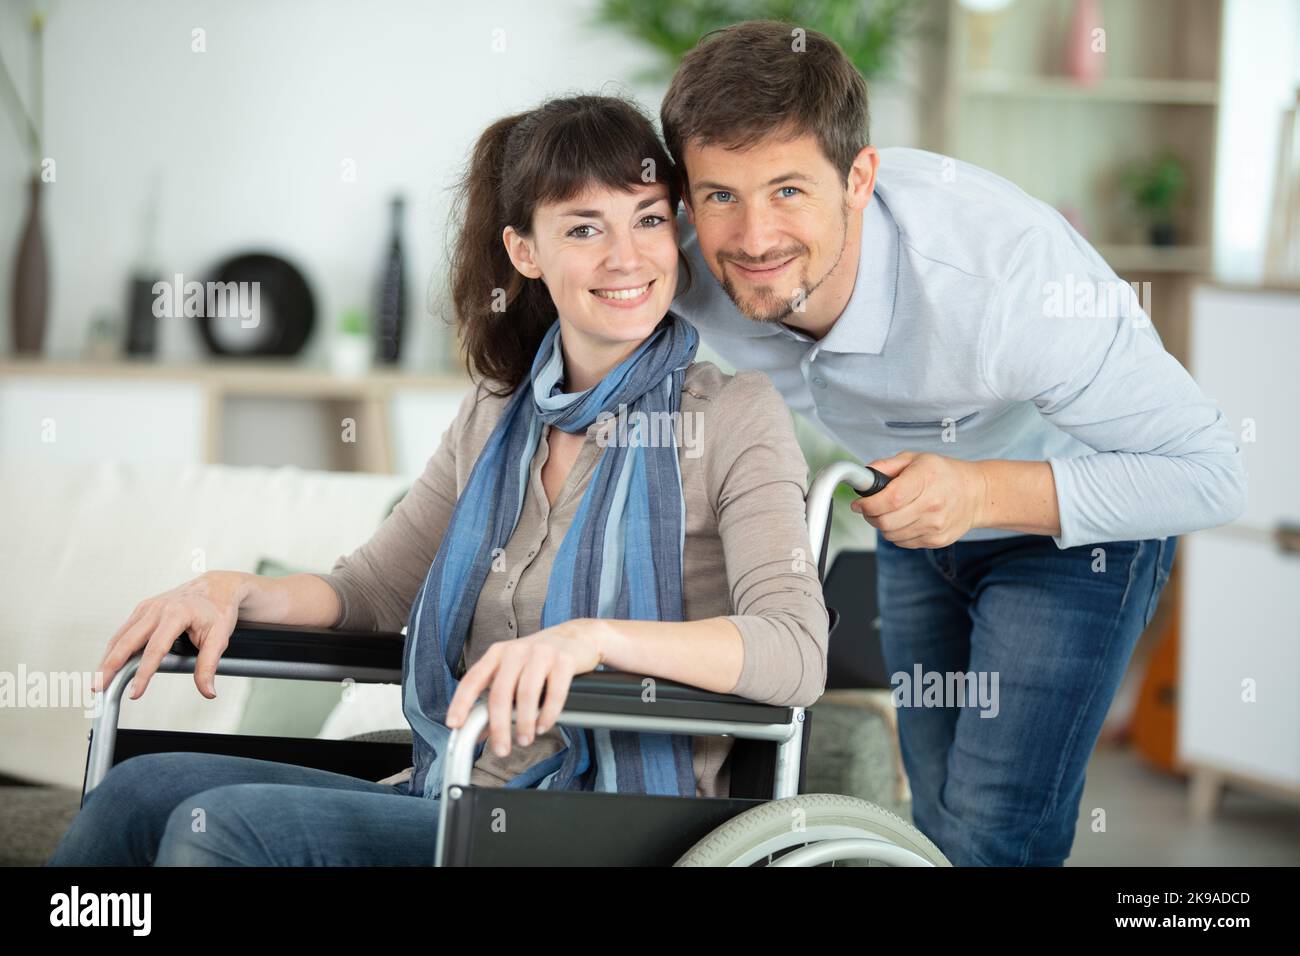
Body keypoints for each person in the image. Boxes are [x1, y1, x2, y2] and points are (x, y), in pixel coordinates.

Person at [47, 95, 828, 866]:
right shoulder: (496, 417)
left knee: (227, 827)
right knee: (138, 789)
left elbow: (793, 648)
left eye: (650, 219)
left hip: (618, 824)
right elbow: (376, 591)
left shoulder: (732, 415)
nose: (627, 257)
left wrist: (593, 641)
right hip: (453, 791)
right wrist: (236, 593)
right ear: (526, 253)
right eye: (584, 228)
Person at [661, 21, 1247, 866]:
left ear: (859, 177)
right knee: (932, 828)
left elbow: (1213, 475)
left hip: (1077, 526)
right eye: (720, 196)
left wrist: (977, 493)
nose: (753, 238)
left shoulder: (1008, 281)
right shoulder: (677, 253)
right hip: (918, 517)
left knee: (990, 832)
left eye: (789, 191)